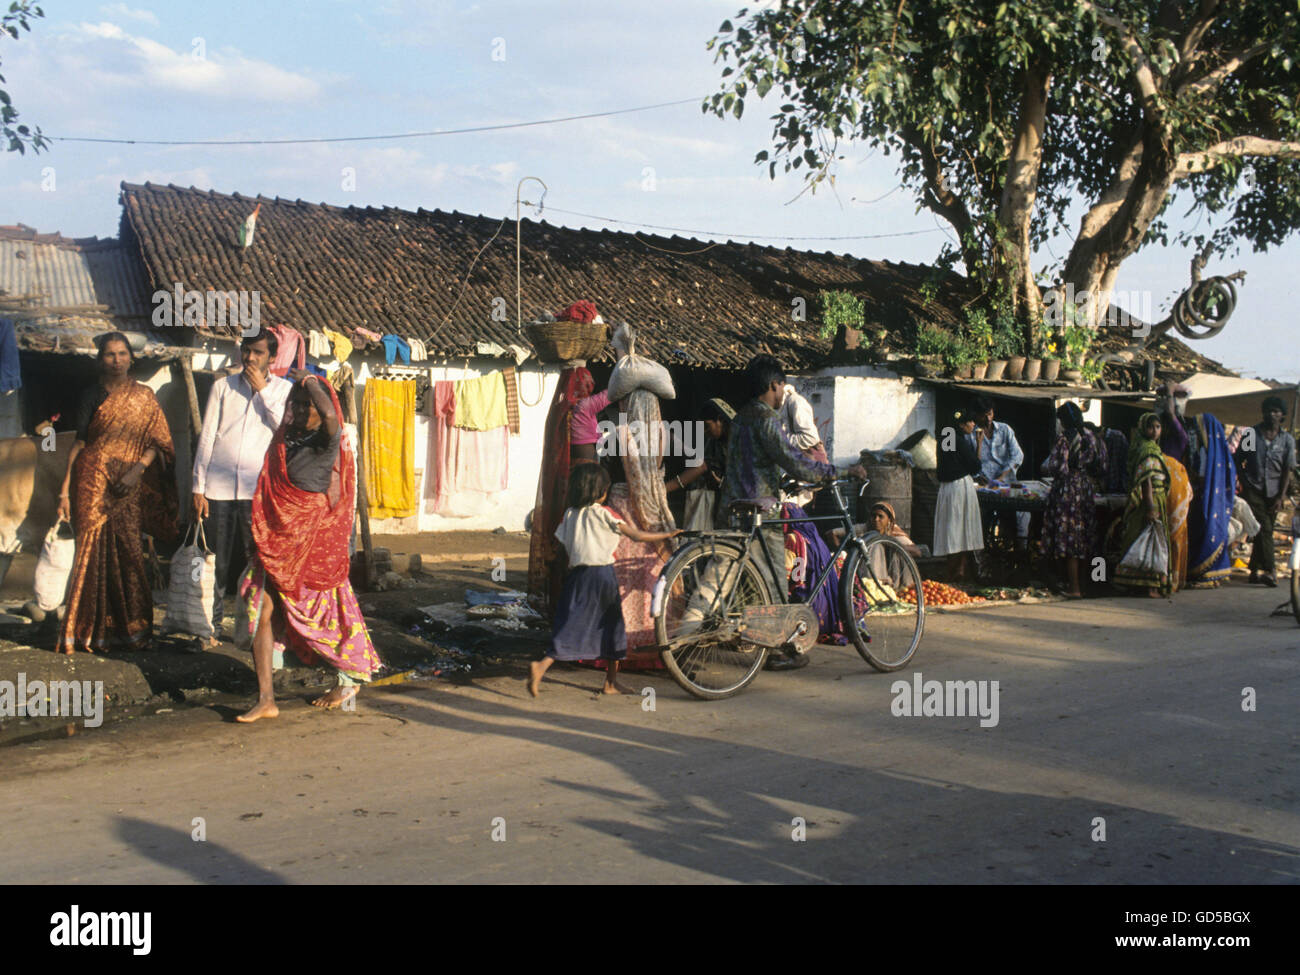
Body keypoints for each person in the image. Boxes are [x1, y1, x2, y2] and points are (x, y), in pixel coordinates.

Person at [237, 372, 381, 722]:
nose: (303, 412)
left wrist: (312, 383)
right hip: (277, 541)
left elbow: (331, 417)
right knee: (261, 608)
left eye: (309, 406)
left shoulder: (325, 440)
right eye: (297, 405)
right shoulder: (285, 439)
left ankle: (349, 677)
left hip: (310, 541)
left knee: (324, 609)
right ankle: (266, 699)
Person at [717, 355, 867, 670]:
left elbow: (757, 461)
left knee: (735, 576)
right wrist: (835, 472)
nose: (782, 393)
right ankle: (775, 651)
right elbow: (794, 460)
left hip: (731, 507)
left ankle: (747, 636)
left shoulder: (741, 418)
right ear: (774, 385)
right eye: (781, 387)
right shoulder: (766, 418)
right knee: (773, 580)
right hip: (759, 511)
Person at [56, 333, 178, 653]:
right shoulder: (89, 395)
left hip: (129, 479)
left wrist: (137, 470)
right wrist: (64, 492)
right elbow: (81, 443)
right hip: (92, 479)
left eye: (122, 353)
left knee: (129, 552)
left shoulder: (144, 397)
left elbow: (157, 442)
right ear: (100, 359)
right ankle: (90, 632)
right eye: (109, 355)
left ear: (131, 358)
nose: (117, 360)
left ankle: (132, 631)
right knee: (91, 553)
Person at [527, 464, 679, 697]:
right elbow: (637, 535)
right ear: (603, 491)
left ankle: (545, 664)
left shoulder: (569, 515)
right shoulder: (605, 514)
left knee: (571, 624)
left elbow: (558, 548)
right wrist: (667, 535)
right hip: (603, 576)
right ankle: (609, 682)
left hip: (577, 577)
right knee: (614, 627)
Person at [192, 331, 292, 643]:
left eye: (258, 353)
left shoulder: (284, 391)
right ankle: (210, 626)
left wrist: (262, 391)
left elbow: (283, 432)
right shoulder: (223, 387)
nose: (250, 358)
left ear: (272, 358)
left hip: (257, 493)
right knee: (216, 563)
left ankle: (249, 631)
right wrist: (198, 487)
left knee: (255, 564)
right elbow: (207, 436)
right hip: (218, 490)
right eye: (246, 351)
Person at [528, 366, 599, 614]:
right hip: (583, 488)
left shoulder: (562, 410)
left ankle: (562, 605)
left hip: (566, 487)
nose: (591, 386)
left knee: (565, 545)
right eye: (587, 383)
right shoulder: (581, 410)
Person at [1038, 402, 1106, 598]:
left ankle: (1073, 588)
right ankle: (1084, 586)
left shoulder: (1064, 439)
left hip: (1067, 490)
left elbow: (1055, 467)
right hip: (1085, 488)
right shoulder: (1091, 437)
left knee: (1070, 540)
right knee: (1084, 538)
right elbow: (1101, 465)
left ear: (1063, 421)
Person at [1237, 395, 1295, 587]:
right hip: (1254, 488)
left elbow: (1288, 469)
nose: (1272, 414)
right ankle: (1271, 570)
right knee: (1266, 530)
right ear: (1263, 413)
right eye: (1269, 410)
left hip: (1275, 492)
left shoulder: (1287, 440)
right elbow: (1239, 460)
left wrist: (1281, 496)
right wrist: (1244, 483)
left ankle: (1254, 571)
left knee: (1263, 530)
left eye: (1276, 411)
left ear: (1282, 415)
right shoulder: (1251, 434)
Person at [1114, 413, 1172, 597]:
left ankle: (1137, 583)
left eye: (1158, 427)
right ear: (1143, 428)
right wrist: (1150, 507)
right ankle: (1151, 585)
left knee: (1142, 540)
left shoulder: (1147, 447)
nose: (1154, 431)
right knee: (1152, 542)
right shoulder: (1147, 450)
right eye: (1150, 427)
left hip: (1154, 499)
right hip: (1151, 500)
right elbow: (1146, 481)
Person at [968, 395, 1030, 554]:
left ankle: (1021, 551)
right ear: (976, 415)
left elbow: (1017, 456)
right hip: (984, 486)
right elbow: (971, 465)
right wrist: (979, 446)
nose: (988, 418)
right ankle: (981, 554)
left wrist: (1001, 477)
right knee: (980, 517)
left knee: (1022, 514)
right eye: (984, 414)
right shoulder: (970, 435)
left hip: (1006, 482)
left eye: (990, 413)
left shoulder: (1005, 429)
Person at [664, 397, 732, 530]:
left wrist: (723, 483)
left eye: (707, 426)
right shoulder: (714, 443)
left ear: (720, 420)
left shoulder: (740, 443)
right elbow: (702, 466)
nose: (706, 432)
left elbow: (701, 466)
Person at [1186, 413, 1236, 587]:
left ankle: (1204, 574)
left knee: (1204, 533)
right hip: (1218, 502)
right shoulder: (1221, 451)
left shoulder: (1205, 452)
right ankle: (1214, 574)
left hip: (1205, 500)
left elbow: (1201, 477)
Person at [934, 408, 984, 584]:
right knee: (960, 529)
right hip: (959, 487)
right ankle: (957, 572)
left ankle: (956, 570)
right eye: (970, 422)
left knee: (952, 529)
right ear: (962, 424)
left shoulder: (946, 435)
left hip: (946, 487)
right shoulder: (961, 441)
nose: (973, 425)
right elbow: (975, 466)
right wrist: (979, 445)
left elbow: (949, 461)